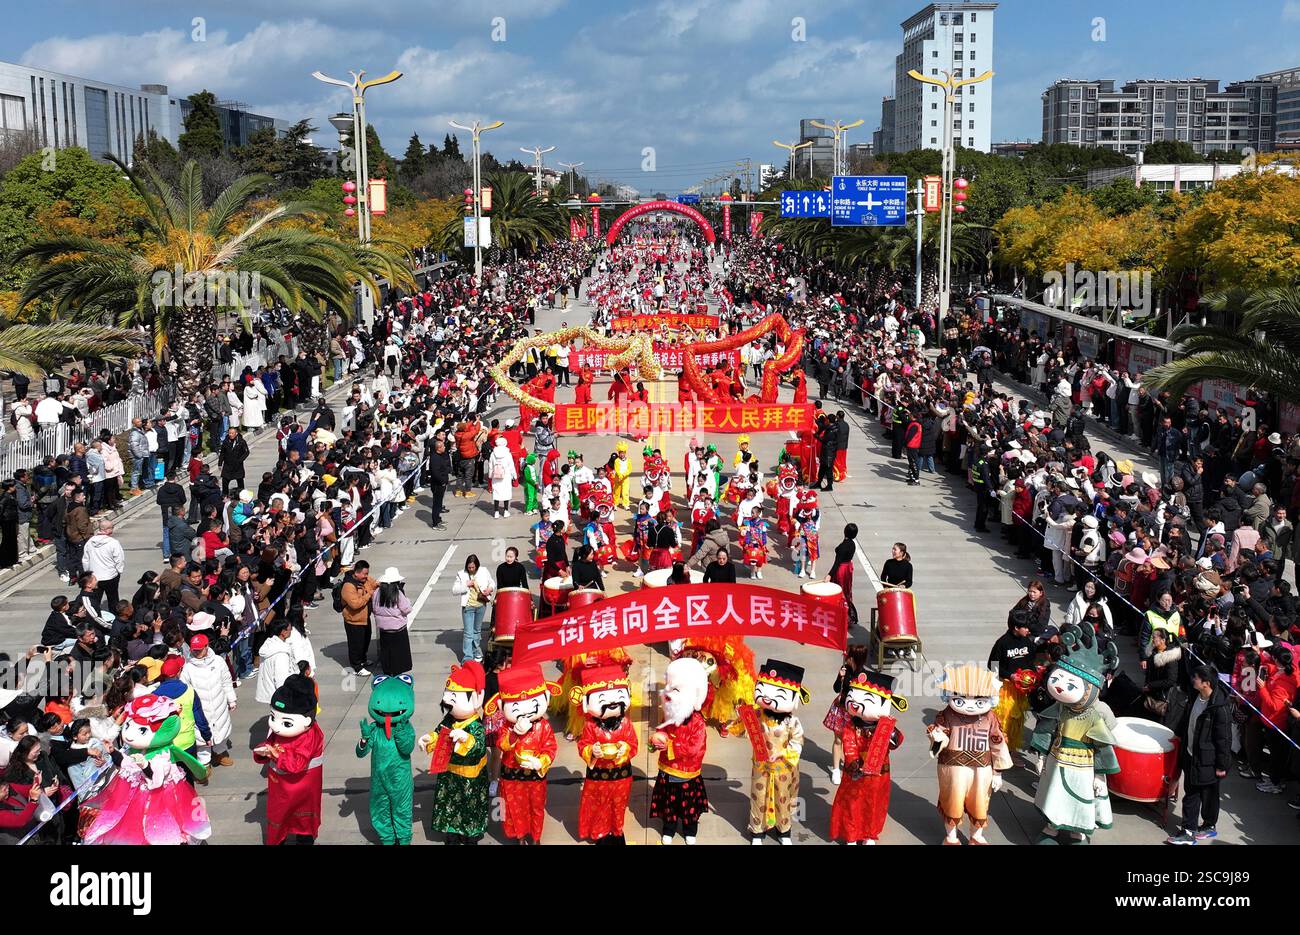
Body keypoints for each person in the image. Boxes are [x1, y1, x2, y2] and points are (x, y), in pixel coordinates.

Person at [1165, 665, 1233, 845]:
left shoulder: (1220, 708)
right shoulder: (1195, 696)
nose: (1192, 680)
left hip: (1207, 760)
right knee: (1196, 792)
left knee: (1199, 794)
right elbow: (1187, 718)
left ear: (1206, 683)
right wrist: (1178, 734)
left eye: (1196, 678)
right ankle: (1205, 826)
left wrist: (1222, 766)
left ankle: (1190, 832)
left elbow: (1224, 739)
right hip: (1190, 753)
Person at [453, 554, 494, 664]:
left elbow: (492, 583)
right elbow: (454, 590)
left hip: (481, 606)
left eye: (473, 567)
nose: (471, 569)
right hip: (468, 607)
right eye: (469, 567)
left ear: (477, 566)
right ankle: (467, 657)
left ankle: (476, 651)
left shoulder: (483, 571)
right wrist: (466, 584)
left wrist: (489, 589)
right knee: (468, 633)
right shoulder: (461, 574)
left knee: (477, 631)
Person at [340, 560, 379, 676]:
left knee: (365, 640)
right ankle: (356, 667)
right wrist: (369, 594)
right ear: (356, 573)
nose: (366, 576)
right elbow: (355, 604)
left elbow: (374, 583)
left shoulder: (365, 580)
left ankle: (363, 659)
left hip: (364, 618)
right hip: (353, 621)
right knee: (355, 644)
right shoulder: (348, 586)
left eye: (367, 573)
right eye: (364, 574)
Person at [372, 566, 413, 675]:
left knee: (386, 651)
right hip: (397, 628)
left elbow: (374, 608)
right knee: (399, 653)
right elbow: (407, 609)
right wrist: (408, 600)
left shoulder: (377, 592)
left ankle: (387, 670)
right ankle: (397, 672)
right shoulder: (397, 593)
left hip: (383, 629)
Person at [827, 523, 859, 625]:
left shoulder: (843, 546)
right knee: (847, 590)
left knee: (840, 591)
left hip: (841, 569)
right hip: (848, 568)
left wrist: (829, 574)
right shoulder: (852, 544)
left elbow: (837, 562)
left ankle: (843, 616)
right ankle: (848, 615)